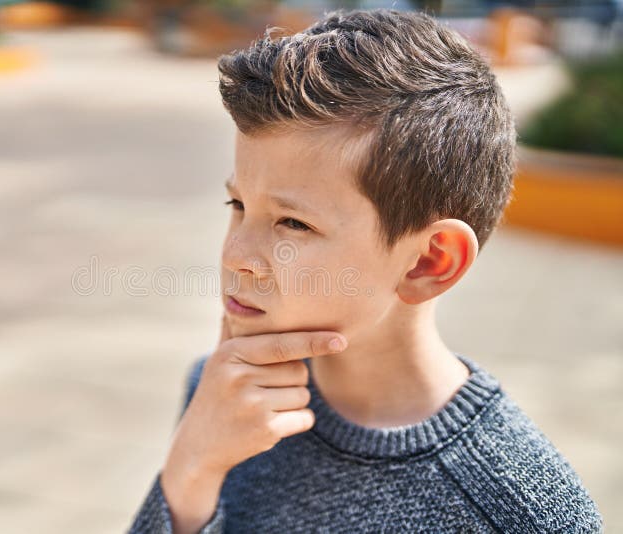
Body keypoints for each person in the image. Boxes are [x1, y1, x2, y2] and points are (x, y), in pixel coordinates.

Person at [127, 8, 603, 533]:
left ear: (429, 261)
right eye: (237, 206)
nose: (237, 254)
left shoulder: (519, 510)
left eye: (293, 223)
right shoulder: (223, 392)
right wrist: (190, 472)